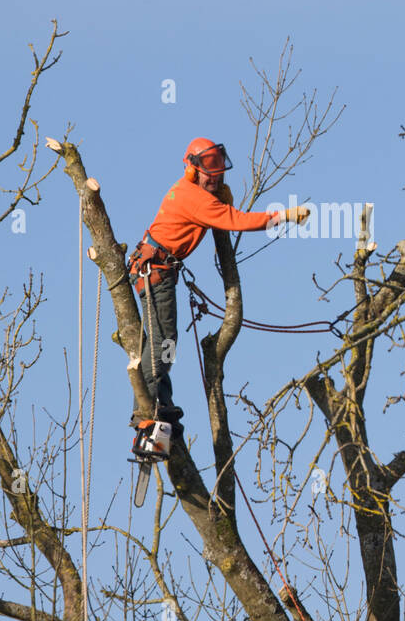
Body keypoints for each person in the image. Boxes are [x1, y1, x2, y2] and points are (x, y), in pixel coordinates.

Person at [128, 138, 308, 435]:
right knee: (164, 342)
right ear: (191, 169)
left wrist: (221, 198)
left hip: (159, 271)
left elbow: (220, 213)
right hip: (155, 273)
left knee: (165, 341)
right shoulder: (192, 197)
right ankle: (145, 411)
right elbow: (233, 220)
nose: (216, 178)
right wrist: (281, 216)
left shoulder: (196, 193)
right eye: (210, 173)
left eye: (219, 173)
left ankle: (162, 402)